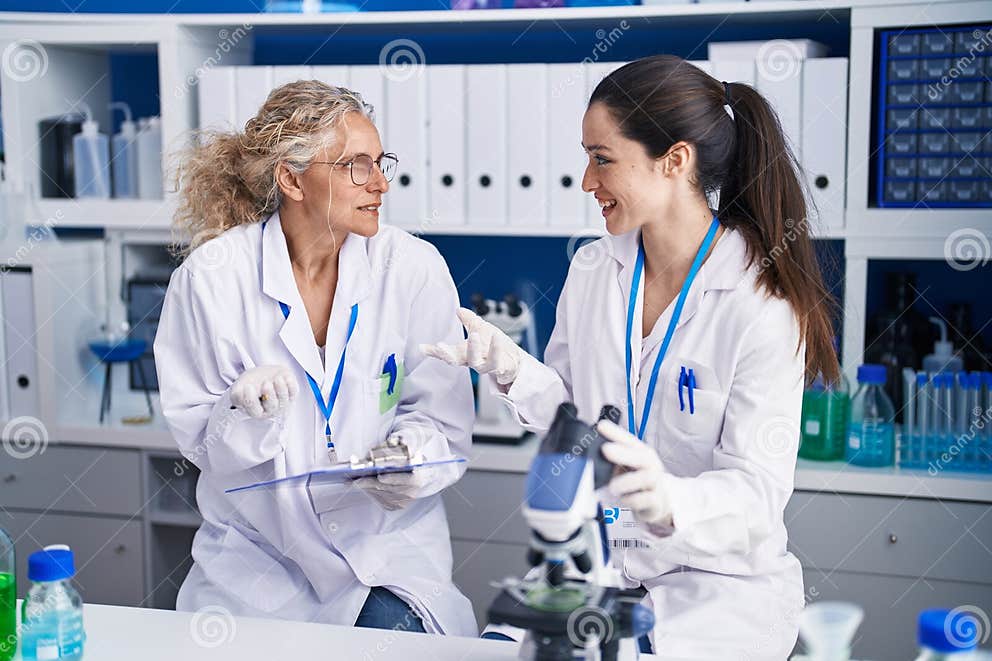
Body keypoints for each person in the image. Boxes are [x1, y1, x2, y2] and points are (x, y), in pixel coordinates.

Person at [424, 55, 840, 658]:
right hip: (598, 567)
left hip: (713, 591)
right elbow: (577, 420)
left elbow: (757, 495)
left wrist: (672, 501)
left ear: (674, 161)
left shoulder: (760, 303)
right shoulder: (595, 268)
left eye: (602, 158)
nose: (587, 181)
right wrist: (512, 370)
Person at [155, 80, 477, 636]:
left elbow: (443, 419)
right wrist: (240, 415)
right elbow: (201, 446)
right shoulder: (211, 280)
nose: (380, 183)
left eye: (381, 163)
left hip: (386, 555)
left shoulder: (412, 268)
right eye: (356, 165)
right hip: (256, 571)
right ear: (291, 177)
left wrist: (409, 456)